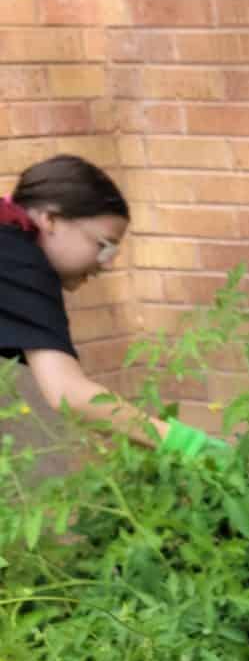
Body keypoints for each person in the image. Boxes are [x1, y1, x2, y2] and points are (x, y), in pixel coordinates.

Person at [0, 154, 221, 458]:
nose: (107, 264)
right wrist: (187, 445)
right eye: (104, 246)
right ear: (50, 220)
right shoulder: (21, 260)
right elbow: (68, 393)